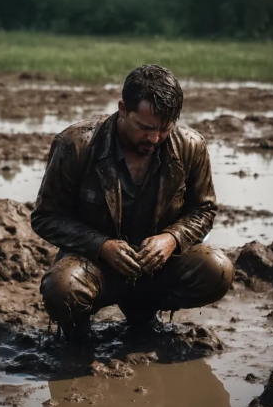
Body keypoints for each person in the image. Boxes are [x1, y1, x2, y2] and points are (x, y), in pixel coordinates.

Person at [31, 65, 232, 340]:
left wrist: (171, 239)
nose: (154, 139)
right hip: (96, 264)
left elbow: (204, 210)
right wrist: (101, 246)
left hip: (158, 266)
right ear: (123, 108)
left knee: (216, 269)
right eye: (145, 128)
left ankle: (145, 312)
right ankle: (77, 333)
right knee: (61, 288)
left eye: (164, 129)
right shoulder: (75, 145)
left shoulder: (190, 146)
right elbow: (45, 217)